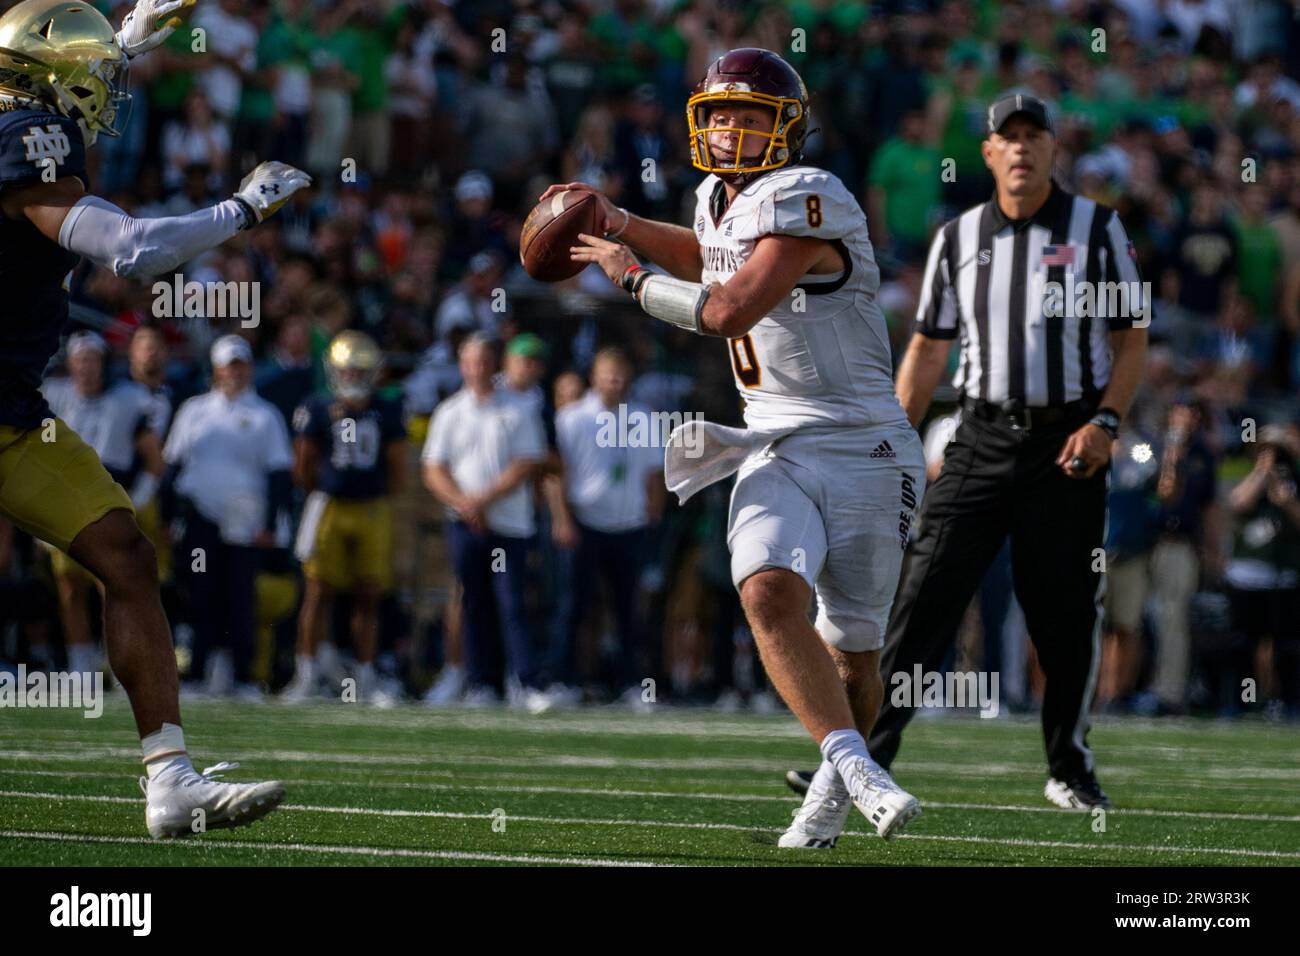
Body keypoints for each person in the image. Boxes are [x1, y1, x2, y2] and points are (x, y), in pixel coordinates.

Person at [549, 48, 926, 846]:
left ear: (786, 128)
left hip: (863, 447)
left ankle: (826, 796)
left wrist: (627, 275)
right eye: (718, 113)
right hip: (772, 440)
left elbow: (727, 310)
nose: (729, 129)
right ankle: (857, 770)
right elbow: (704, 251)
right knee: (763, 591)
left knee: (856, 651)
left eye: (750, 116)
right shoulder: (716, 199)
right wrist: (618, 220)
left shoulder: (813, 194)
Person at [785, 94, 1149, 810]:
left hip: (1066, 437)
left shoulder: (1098, 229)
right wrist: (889, 438)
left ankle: (1069, 766)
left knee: (1066, 610)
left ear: (1052, 149)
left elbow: (1131, 335)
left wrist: (1106, 421)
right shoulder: (958, 237)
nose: (1019, 148)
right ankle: (865, 757)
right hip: (979, 435)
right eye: (1005, 138)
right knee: (921, 597)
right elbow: (927, 348)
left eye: (1032, 136)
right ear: (986, 153)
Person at [0, 0, 309, 837]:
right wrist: (240, 211)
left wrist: (122, 43)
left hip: (14, 417)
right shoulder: (25, 133)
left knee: (125, 552)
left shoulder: (24, 113)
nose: (104, 88)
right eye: (90, 72)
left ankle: (170, 782)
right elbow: (134, 250)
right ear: (45, 79)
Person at [421, 334, 553, 711]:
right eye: (471, 362)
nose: (478, 369)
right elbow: (433, 468)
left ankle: (524, 681)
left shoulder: (517, 409)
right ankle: (482, 682)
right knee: (472, 601)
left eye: (484, 362)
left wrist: (482, 499)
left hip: (508, 525)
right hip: (465, 524)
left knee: (512, 603)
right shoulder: (450, 411)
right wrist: (463, 503)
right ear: (463, 366)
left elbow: (527, 463)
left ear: (493, 365)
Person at [164, 335, 295, 698]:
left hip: (245, 524)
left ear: (249, 368)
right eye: (229, 365)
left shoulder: (265, 416)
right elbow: (173, 465)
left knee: (241, 597)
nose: (235, 372)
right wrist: (166, 516)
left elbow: (279, 475)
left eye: (241, 365)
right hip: (200, 519)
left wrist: (271, 525)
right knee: (200, 593)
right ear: (218, 369)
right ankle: (195, 674)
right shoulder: (194, 410)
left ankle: (243, 676)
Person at [284, 331, 407, 706]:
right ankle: (305, 674)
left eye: (359, 370)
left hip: (371, 507)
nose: (352, 377)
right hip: (330, 506)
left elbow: (398, 467)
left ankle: (365, 676)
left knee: (369, 593)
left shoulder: (387, 409)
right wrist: (320, 493)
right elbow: (302, 465)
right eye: (347, 370)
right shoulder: (317, 408)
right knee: (318, 591)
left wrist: (383, 499)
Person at [40, 331, 163, 677]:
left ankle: (121, 665)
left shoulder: (128, 399)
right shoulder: (53, 395)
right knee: (69, 587)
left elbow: (154, 459)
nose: (86, 367)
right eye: (80, 359)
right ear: (71, 363)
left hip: (107, 499)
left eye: (93, 359)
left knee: (113, 586)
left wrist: (134, 501)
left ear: (105, 363)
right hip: (64, 501)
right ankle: (81, 665)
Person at [553, 348, 665, 702]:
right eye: (607, 372)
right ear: (594, 376)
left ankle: (632, 684)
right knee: (573, 605)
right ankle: (563, 681)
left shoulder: (644, 418)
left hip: (629, 525)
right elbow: (556, 475)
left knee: (629, 611)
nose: (613, 379)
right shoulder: (571, 418)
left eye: (620, 372)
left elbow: (654, 474)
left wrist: (652, 514)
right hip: (584, 523)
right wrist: (562, 519)